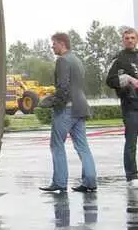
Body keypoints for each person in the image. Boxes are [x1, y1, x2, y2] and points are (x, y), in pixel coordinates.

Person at [39, 32, 97, 193]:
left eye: (54, 43)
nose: (52, 47)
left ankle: (59, 182)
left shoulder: (62, 60)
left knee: (57, 145)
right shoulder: (77, 60)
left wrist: (49, 101)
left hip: (66, 109)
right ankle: (90, 182)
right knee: (82, 146)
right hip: (81, 107)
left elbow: (63, 88)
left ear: (62, 43)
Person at [106, 28, 138, 187]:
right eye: (127, 38)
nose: (130, 40)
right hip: (131, 105)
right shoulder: (119, 59)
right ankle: (132, 176)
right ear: (122, 40)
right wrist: (127, 79)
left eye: (133, 38)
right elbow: (110, 80)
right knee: (131, 142)